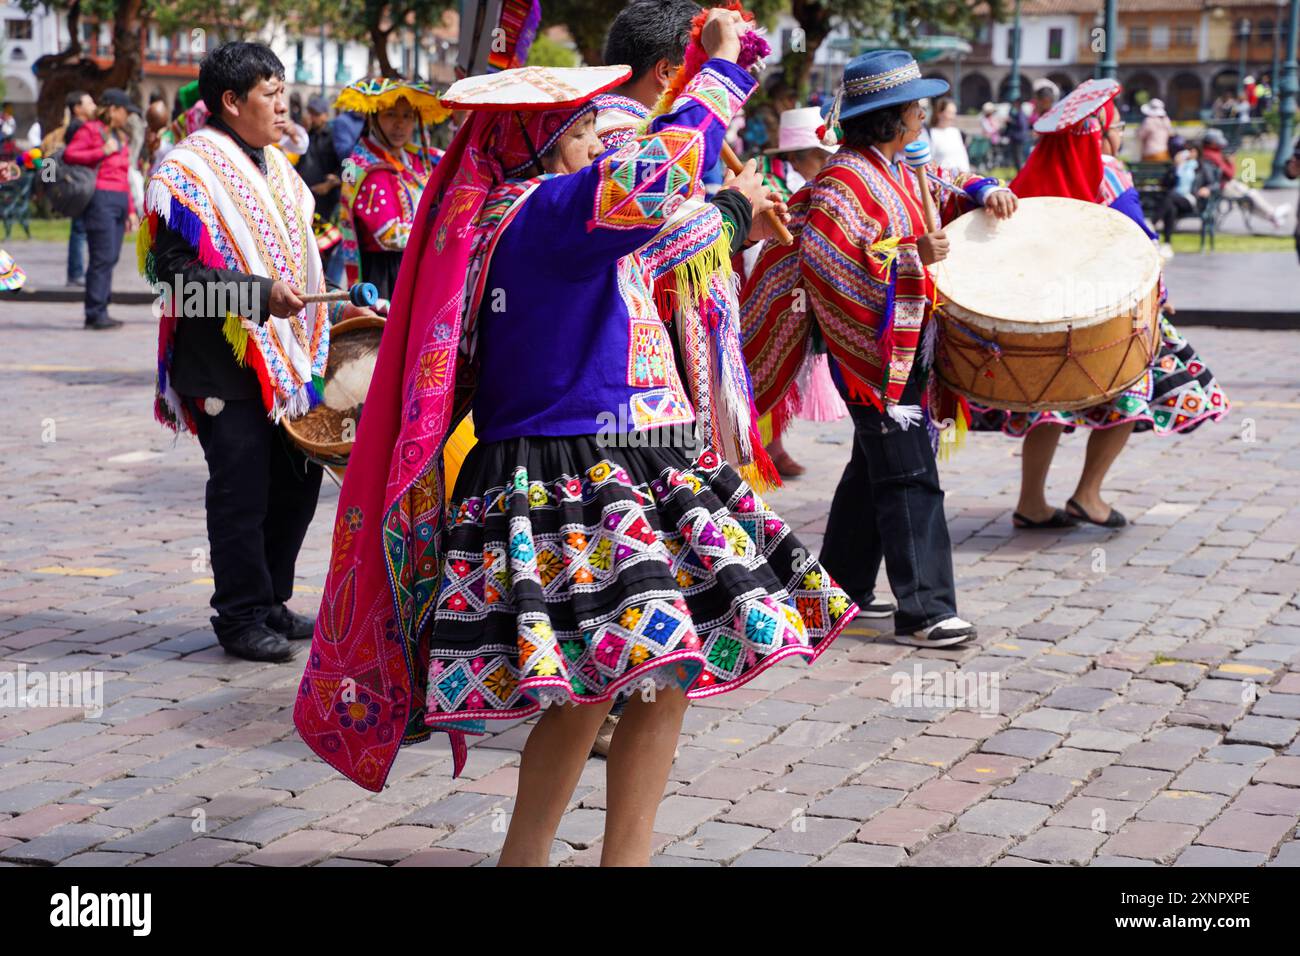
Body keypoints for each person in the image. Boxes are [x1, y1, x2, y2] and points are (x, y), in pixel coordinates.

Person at [294, 12, 855, 865]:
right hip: (578, 470)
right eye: (585, 128)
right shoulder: (544, 215)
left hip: (622, 454)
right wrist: (719, 73)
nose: (599, 142)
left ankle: (604, 858)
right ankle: (539, 858)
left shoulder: (504, 220)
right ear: (536, 138)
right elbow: (660, 172)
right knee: (611, 685)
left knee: (649, 680)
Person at [742, 50, 1018, 648]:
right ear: (893, 118)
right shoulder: (845, 180)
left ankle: (836, 592)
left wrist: (987, 190)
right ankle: (924, 610)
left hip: (900, 349)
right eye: (915, 106)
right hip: (872, 354)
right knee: (910, 474)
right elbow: (830, 264)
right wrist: (914, 254)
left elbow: (945, 197)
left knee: (875, 468)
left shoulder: (893, 168)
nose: (923, 114)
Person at [139, 42, 374, 662]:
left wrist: (335, 306)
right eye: (269, 93)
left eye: (282, 89)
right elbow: (171, 279)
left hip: (290, 357)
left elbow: (297, 252)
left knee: (295, 485)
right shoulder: (184, 172)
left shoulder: (277, 164)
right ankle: (238, 615)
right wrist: (256, 294)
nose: (282, 103)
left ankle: (270, 598)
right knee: (241, 489)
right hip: (226, 362)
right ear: (231, 101)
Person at [975, 79, 1229, 529]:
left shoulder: (1032, 173)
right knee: (1132, 383)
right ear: (1101, 134)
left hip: (1041, 310)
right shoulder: (1108, 172)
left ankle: (1031, 502)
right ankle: (1088, 495)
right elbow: (1139, 243)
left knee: (1045, 401)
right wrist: (1161, 298)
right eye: (1117, 128)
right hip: (1106, 311)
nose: (1120, 136)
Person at [335, 78, 447, 297]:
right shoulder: (365, 169)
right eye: (390, 114)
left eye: (407, 116)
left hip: (415, 264)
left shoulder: (416, 159)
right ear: (373, 117)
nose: (400, 124)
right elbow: (388, 236)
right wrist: (441, 230)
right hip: (386, 275)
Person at [62, 88, 140, 331]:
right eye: (126, 112)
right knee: (102, 257)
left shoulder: (120, 136)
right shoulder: (90, 130)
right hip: (100, 198)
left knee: (112, 256)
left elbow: (125, 174)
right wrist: (100, 152)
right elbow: (70, 154)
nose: (128, 117)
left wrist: (130, 210)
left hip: (118, 199)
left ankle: (101, 307)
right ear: (114, 109)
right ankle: (95, 312)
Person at [43, 90, 96, 288]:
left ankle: (77, 273)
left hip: (78, 183)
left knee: (80, 228)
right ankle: (75, 274)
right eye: (89, 103)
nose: (94, 106)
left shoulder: (75, 126)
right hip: (79, 182)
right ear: (77, 108)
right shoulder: (77, 127)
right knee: (80, 228)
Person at [296, 94, 345, 288]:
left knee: (325, 247)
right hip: (308, 199)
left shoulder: (335, 137)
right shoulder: (307, 136)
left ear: (325, 115)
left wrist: (336, 181)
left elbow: (349, 163)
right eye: (311, 113)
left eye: (316, 114)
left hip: (326, 203)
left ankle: (326, 286)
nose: (312, 117)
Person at [1200, 127, 1293, 228]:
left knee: (1249, 198)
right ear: (1211, 142)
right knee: (1250, 196)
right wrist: (1230, 162)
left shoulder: (1211, 153)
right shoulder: (1212, 155)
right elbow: (1230, 174)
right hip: (1222, 186)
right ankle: (1273, 214)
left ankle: (1272, 215)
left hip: (1224, 184)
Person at [1157, 143, 1220, 250]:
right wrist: (1176, 166)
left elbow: (1214, 184)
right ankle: (1167, 244)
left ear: (1197, 152)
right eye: (1187, 151)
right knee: (1171, 207)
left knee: (1169, 198)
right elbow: (1165, 183)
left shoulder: (1202, 167)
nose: (1189, 153)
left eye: (1192, 150)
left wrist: (1207, 189)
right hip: (1175, 200)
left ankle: (1153, 222)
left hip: (1192, 200)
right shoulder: (1179, 166)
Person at [929, 96, 970, 172]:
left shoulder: (955, 132)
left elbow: (963, 157)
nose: (952, 117)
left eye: (954, 113)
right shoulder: (931, 134)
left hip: (960, 178)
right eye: (949, 113)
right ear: (939, 113)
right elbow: (929, 162)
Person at [1005, 98, 1030, 170]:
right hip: (1019, 137)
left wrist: (1011, 121)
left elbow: (1021, 125)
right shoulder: (1021, 113)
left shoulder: (1020, 114)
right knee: (1018, 157)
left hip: (1018, 138)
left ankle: (1020, 174)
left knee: (1018, 158)